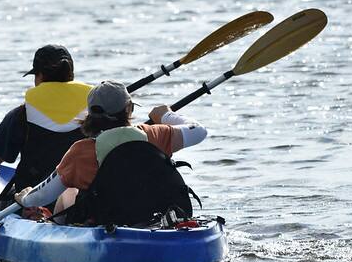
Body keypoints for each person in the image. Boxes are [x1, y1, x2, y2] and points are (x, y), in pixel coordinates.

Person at [15, 80, 208, 226]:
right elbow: (198, 131)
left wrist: (25, 197)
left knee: (70, 190)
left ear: (90, 115)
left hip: (109, 222)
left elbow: (41, 197)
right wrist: (165, 115)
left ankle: (58, 231)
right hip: (160, 218)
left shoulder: (82, 151)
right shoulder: (156, 134)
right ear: (129, 109)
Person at [0, 45, 93, 208]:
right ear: (71, 75)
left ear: (39, 76)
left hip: (30, 200)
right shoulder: (95, 114)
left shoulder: (22, 114)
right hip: (80, 200)